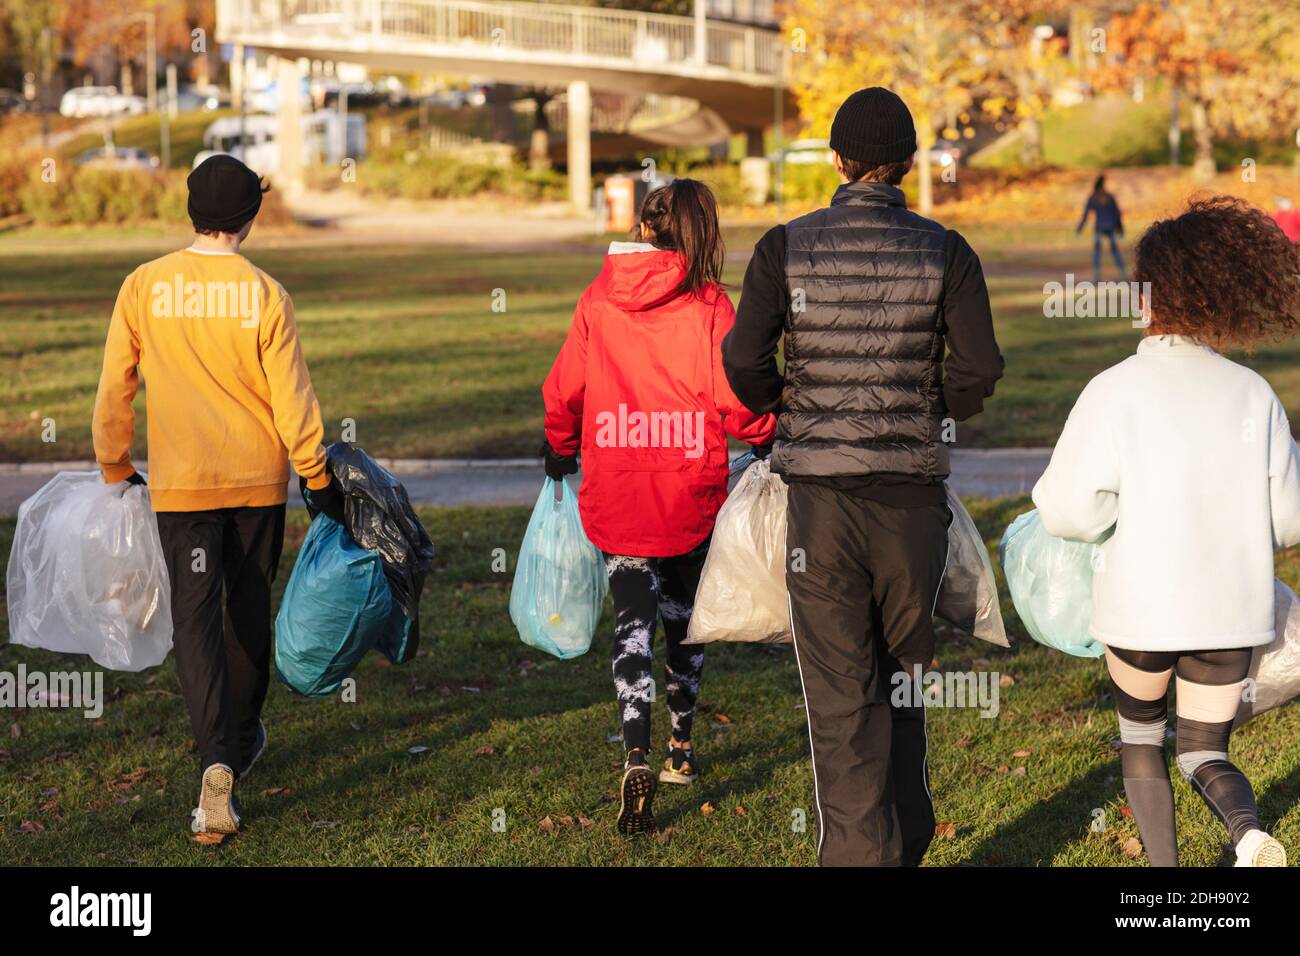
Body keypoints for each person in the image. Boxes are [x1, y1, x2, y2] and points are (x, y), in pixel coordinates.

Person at [721, 88, 1004, 866]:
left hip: (821, 508)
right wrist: (925, 403)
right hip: (912, 504)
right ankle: (904, 845)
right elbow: (980, 370)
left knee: (842, 702)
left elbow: (744, 362)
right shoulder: (947, 251)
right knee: (904, 687)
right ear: (908, 162)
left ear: (839, 162)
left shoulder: (785, 247)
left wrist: (796, 409)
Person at [1032, 196, 1300, 867]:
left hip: (1140, 613)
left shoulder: (1112, 389)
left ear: (1147, 297)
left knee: (1142, 741)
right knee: (1206, 749)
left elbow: (1067, 511)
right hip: (1230, 615)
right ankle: (1246, 833)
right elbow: (1291, 521)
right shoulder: (1254, 394)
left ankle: (1165, 886)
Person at [92, 155, 346, 836]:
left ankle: (216, 763)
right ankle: (237, 738)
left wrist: (114, 464)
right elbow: (294, 403)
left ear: (191, 211)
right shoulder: (267, 294)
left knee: (195, 622)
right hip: (256, 485)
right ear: (250, 217)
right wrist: (317, 478)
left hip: (181, 489)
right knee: (249, 609)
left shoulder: (144, 285)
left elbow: (116, 385)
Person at [541, 179, 777, 835]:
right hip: (687, 489)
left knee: (632, 625)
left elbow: (565, 389)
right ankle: (679, 749)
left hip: (616, 485)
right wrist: (764, 438)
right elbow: (736, 396)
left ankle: (634, 752)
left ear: (644, 228)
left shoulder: (598, 297)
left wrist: (561, 446)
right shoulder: (708, 304)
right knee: (684, 619)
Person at [1077, 174, 1126, 281]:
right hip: (1111, 226)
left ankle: (1096, 277)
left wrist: (1079, 229)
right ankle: (1123, 275)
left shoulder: (1094, 197)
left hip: (1099, 227)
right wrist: (1120, 229)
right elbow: (1117, 214)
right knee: (1115, 251)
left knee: (1097, 253)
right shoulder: (1109, 197)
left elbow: (1085, 215)